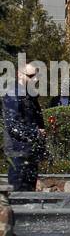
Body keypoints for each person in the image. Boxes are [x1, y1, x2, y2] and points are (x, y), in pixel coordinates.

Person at [2, 61, 46, 190]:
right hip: (18, 152)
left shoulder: (30, 95)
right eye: (31, 76)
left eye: (38, 76)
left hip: (29, 151)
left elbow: (35, 121)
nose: (35, 79)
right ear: (19, 75)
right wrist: (36, 133)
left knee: (29, 195)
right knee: (18, 195)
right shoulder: (13, 94)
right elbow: (13, 126)